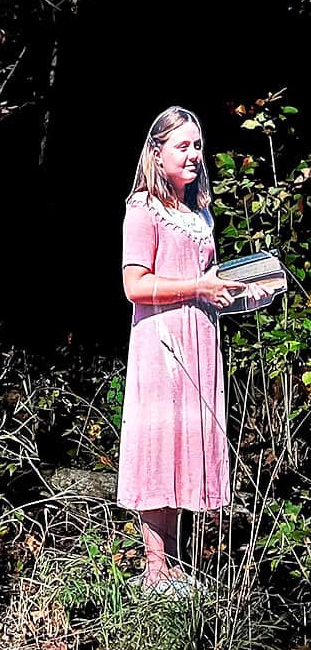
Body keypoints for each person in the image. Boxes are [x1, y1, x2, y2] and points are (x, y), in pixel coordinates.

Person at [117, 106, 273, 597]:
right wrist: (199, 286)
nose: (193, 154)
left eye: (198, 145)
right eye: (182, 145)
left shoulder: (199, 212)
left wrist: (242, 290)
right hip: (162, 340)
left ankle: (176, 567)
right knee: (159, 449)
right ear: (157, 152)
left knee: (185, 446)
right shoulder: (142, 208)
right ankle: (155, 569)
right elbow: (134, 286)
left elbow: (206, 284)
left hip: (200, 337)